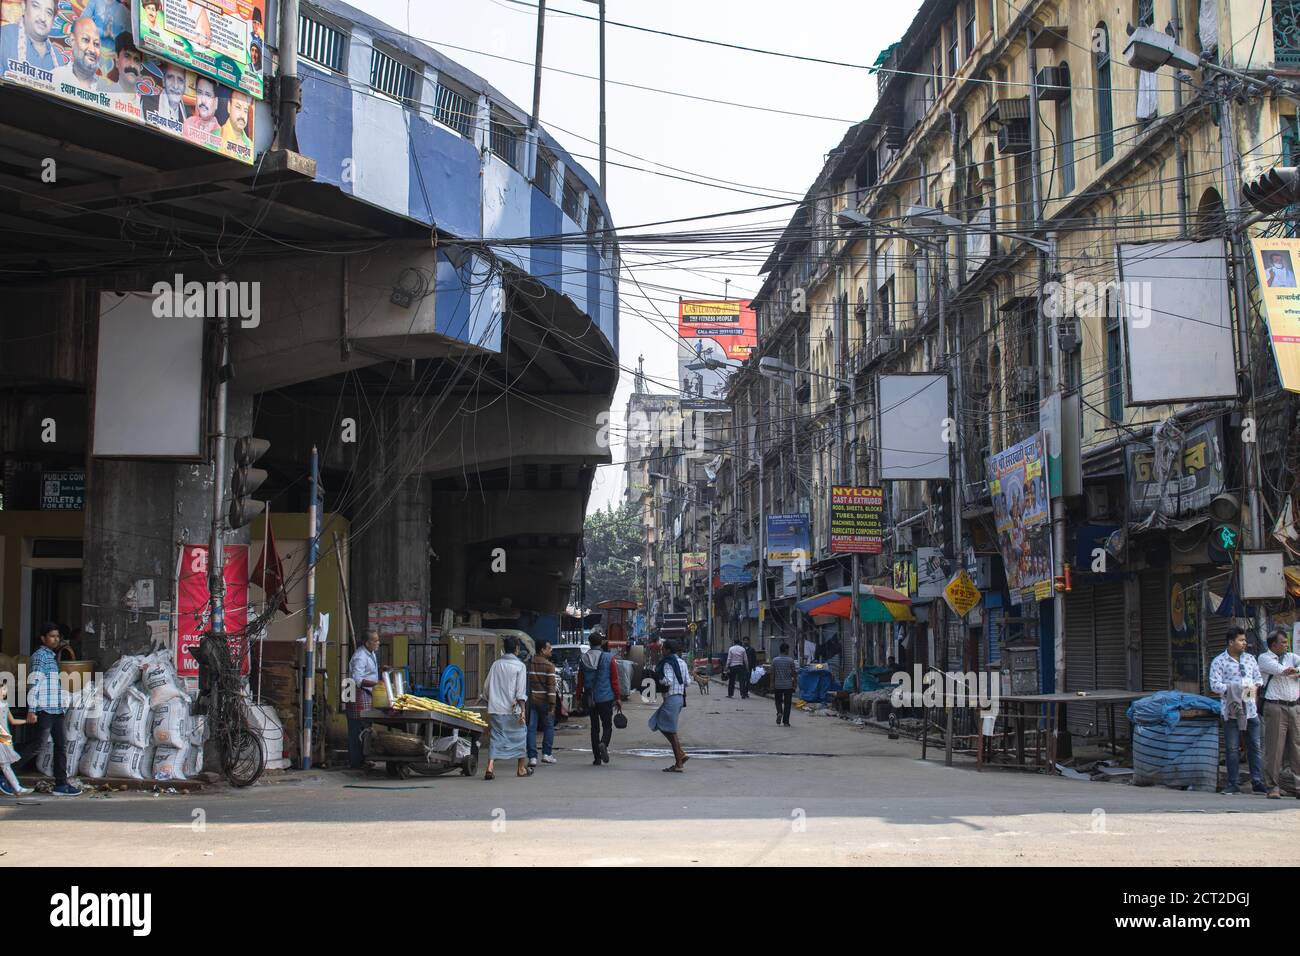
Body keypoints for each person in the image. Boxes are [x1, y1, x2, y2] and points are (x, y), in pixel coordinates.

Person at [14, 624, 80, 795]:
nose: (56, 639)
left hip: (56, 709)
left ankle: (61, 783)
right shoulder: (40, 657)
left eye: (57, 636)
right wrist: (32, 710)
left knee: (61, 745)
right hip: (44, 709)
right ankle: (6, 770)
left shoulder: (51, 656)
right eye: (52, 636)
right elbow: (34, 683)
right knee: (38, 744)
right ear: (43, 638)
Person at [1209, 625, 1267, 795]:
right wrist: (1236, 688)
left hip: (1250, 709)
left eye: (1244, 640)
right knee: (1232, 748)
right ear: (1231, 642)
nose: (1244, 643)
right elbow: (1214, 685)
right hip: (1231, 710)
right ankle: (1233, 783)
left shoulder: (1250, 659)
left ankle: (1257, 781)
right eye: (1241, 640)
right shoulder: (1219, 661)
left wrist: (1253, 687)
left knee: (1255, 746)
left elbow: (1258, 678)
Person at [480, 634, 530, 779]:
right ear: (517, 649)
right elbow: (521, 693)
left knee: (496, 737)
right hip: (513, 709)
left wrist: (489, 700)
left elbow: (486, 687)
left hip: (496, 708)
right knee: (521, 737)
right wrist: (523, 711)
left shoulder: (496, 664)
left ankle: (490, 767)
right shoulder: (520, 666)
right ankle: (521, 768)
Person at [1258, 628, 1300, 799]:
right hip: (1275, 707)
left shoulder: (1292, 656)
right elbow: (1281, 670)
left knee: (1297, 748)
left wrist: (1295, 671)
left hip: (1294, 707)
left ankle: (1298, 786)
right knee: (1274, 748)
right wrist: (1293, 672)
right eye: (1283, 642)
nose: (1286, 644)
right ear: (1274, 645)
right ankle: (1272, 787)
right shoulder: (1264, 658)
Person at [576, 631, 621, 765]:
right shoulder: (609, 658)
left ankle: (597, 758)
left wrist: (578, 698)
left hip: (590, 698)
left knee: (594, 728)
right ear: (601, 643)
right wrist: (617, 697)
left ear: (589, 643)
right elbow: (614, 680)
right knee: (607, 725)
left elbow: (580, 681)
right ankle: (604, 743)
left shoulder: (583, 659)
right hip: (606, 697)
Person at [345, 630, 383, 771]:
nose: (378, 643)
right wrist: (377, 684)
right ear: (368, 643)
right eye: (376, 640)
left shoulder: (371, 653)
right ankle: (355, 762)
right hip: (357, 693)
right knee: (356, 729)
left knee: (365, 728)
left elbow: (369, 672)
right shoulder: (360, 656)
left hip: (367, 694)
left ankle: (363, 759)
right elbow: (358, 679)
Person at [649, 639, 689, 772]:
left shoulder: (667, 663)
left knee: (671, 732)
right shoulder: (682, 663)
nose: (661, 651)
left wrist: (657, 678)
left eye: (663, 649)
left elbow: (668, 681)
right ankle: (681, 754)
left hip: (671, 698)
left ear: (667, 650)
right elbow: (687, 682)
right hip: (679, 698)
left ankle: (679, 763)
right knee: (658, 722)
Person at [51, 17, 106, 93]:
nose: (92, 50)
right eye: (86, 40)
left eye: (96, 44)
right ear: (72, 40)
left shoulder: (106, 89)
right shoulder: (56, 77)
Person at [0, 0, 58, 71]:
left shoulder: (58, 58)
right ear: (24, 7)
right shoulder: (4, 37)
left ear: (53, 19)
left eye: (49, 12)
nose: (42, 18)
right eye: (36, 6)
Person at [526, 639, 558, 767]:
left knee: (531, 729)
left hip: (531, 700)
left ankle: (532, 757)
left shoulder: (529, 663)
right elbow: (551, 687)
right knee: (549, 726)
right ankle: (546, 754)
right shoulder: (549, 666)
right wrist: (552, 704)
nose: (551, 650)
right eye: (549, 648)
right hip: (544, 702)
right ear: (542, 650)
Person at [0, 681, 33, 796]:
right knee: (5, 765)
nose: (4, 691)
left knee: (5, 765)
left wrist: (27, 721)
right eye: (3, 689)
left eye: (5, 689)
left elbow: (13, 721)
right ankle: (17, 788)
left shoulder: (4, 705)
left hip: (4, 737)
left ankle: (17, 788)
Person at [143, 61, 190, 126]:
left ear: (184, 86)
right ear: (163, 81)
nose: (175, 86)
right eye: (170, 77)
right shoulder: (146, 101)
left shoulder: (189, 115)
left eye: (180, 80)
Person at [183, 75, 220, 141]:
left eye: (208, 95)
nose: (203, 100)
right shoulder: (188, 123)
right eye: (199, 93)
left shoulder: (221, 134)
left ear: (216, 102)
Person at [770, 642, 798, 727]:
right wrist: (795, 683)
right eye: (788, 649)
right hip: (788, 685)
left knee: (778, 701)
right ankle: (786, 722)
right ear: (786, 650)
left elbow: (772, 674)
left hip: (778, 684)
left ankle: (779, 712)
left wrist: (772, 684)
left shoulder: (775, 660)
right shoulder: (790, 660)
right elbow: (793, 673)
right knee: (787, 703)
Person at [221, 87, 253, 152]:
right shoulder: (216, 135)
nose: (242, 115)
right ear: (229, 107)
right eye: (238, 107)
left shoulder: (250, 145)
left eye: (245, 111)